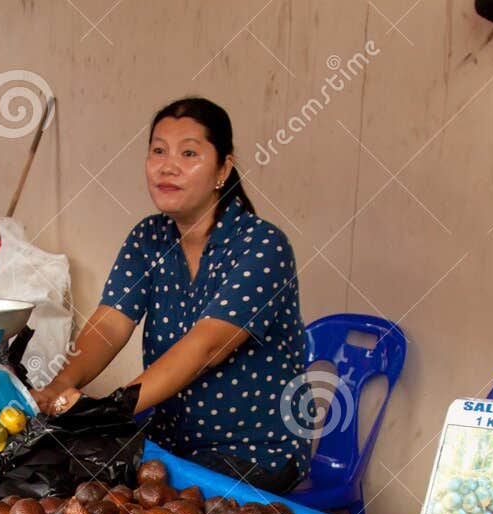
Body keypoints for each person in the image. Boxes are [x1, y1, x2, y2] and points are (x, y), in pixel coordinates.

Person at [33, 97, 310, 493]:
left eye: (189, 153)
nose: (168, 165)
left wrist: (111, 408)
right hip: (169, 443)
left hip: (253, 451)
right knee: (69, 487)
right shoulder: (148, 237)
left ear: (223, 169)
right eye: (158, 150)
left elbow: (206, 347)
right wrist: (59, 385)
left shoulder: (263, 246)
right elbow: (111, 323)